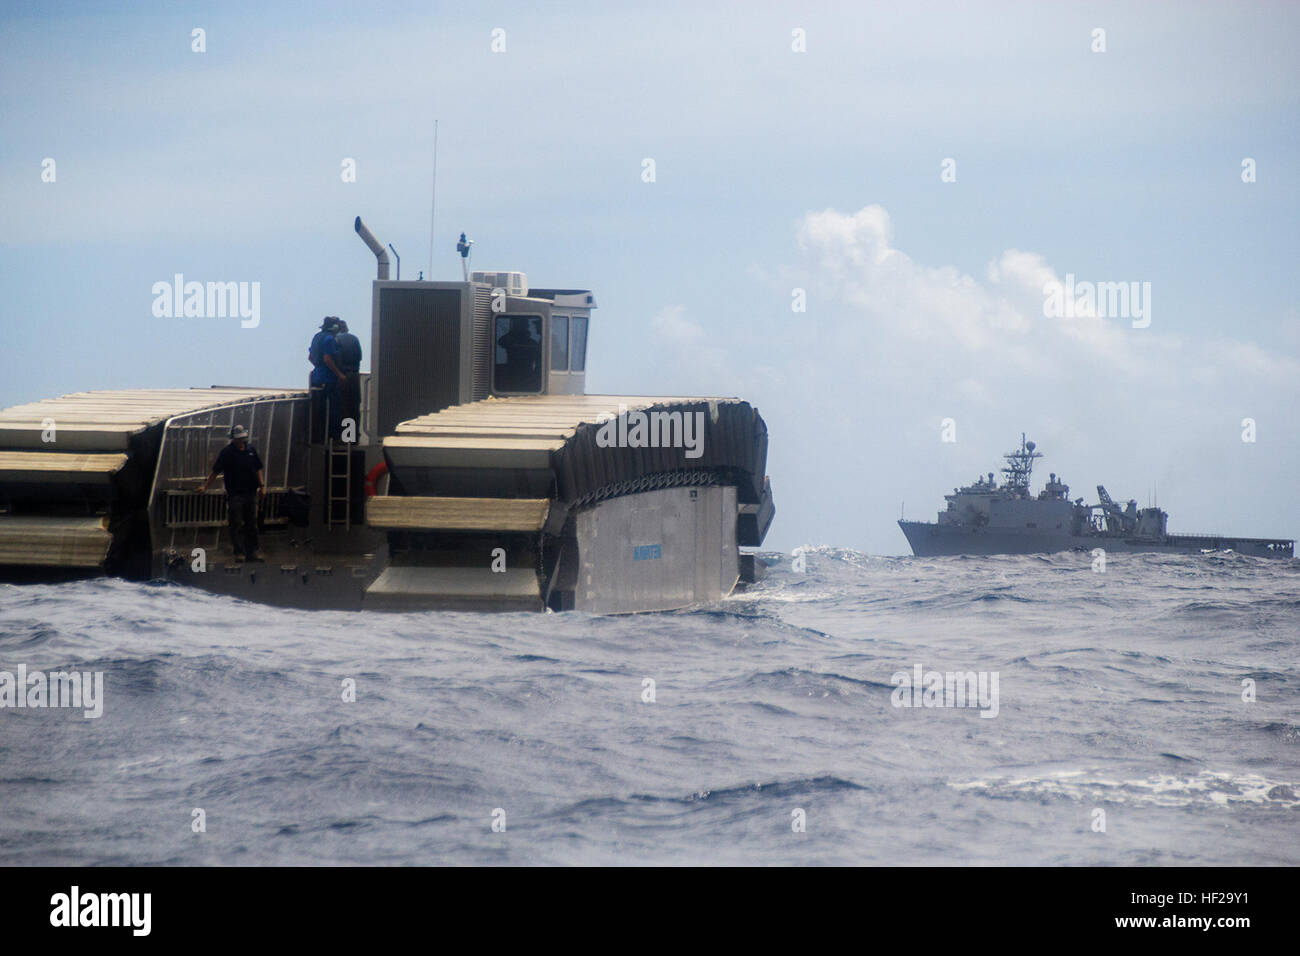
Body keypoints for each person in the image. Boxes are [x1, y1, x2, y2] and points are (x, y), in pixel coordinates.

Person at [197, 424, 266, 562]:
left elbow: (258, 468)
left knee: (251, 523)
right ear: (233, 439)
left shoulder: (251, 450)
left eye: (242, 438)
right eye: (238, 438)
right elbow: (216, 471)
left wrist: (262, 486)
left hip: (251, 492)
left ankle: (252, 552)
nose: (240, 441)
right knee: (236, 522)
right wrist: (205, 486)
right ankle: (238, 552)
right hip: (235, 493)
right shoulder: (227, 452)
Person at [308, 317, 346, 440]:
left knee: (319, 408)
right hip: (328, 379)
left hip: (316, 377)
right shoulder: (329, 339)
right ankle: (333, 437)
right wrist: (339, 374)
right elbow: (328, 359)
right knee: (334, 409)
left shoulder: (317, 337)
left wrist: (318, 367)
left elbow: (310, 357)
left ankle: (318, 437)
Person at [333, 319, 363, 437]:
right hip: (354, 376)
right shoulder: (354, 339)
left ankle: (343, 436)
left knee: (342, 407)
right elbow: (359, 357)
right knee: (353, 407)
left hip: (341, 376)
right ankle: (352, 437)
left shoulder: (335, 340)